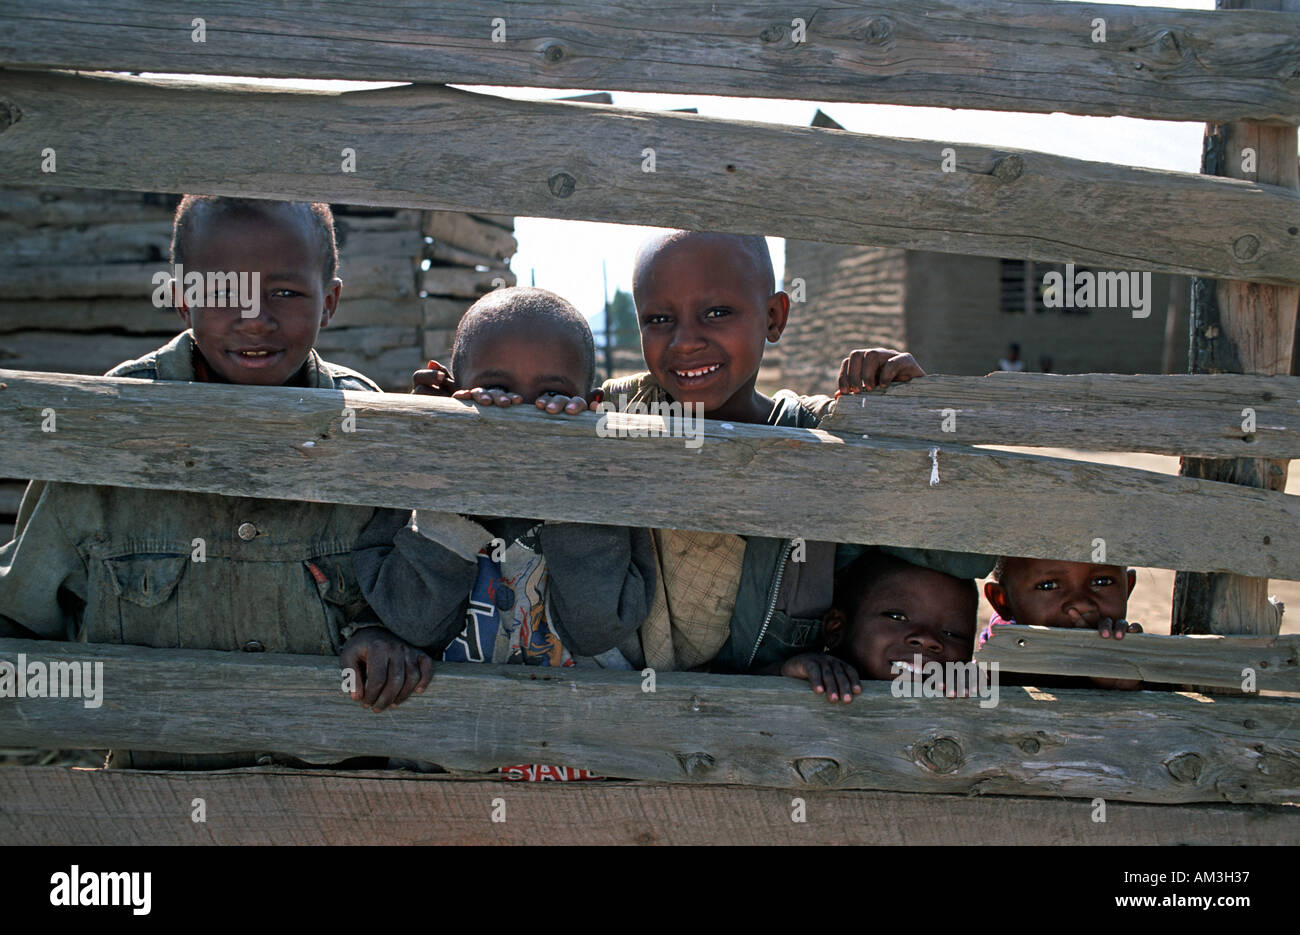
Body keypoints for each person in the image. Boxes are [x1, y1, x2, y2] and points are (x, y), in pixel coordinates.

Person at [0, 195, 431, 767]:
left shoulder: (366, 428)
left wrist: (383, 633)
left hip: (336, 807)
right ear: (182, 300)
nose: (255, 317)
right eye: (224, 293)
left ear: (328, 303)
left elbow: (420, 596)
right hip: (155, 809)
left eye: (285, 292)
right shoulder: (111, 429)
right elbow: (23, 616)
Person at [599, 230, 989, 673]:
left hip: (781, 720)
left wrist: (914, 422)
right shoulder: (624, 412)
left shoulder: (829, 440)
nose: (685, 340)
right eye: (658, 319)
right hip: (634, 714)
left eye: (717, 312)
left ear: (773, 317)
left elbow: (967, 553)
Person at [354, 287, 656, 778]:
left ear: (594, 404)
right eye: (495, 388)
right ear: (450, 391)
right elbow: (415, 622)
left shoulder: (609, 497)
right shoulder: (415, 485)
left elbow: (597, 626)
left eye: (554, 395)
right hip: (448, 784)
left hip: (589, 781)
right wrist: (454, 476)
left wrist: (570, 483)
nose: (522, 411)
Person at [780, 552, 978, 703]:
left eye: (952, 633)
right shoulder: (812, 676)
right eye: (897, 617)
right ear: (836, 628)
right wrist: (783, 674)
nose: (927, 639)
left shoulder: (969, 692)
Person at [981, 556, 1143, 689]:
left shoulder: (1133, 663)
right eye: (1048, 585)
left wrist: (1139, 678)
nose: (1081, 604)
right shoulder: (993, 671)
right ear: (1003, 601)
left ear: (1127, 588)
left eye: (1102, 582)